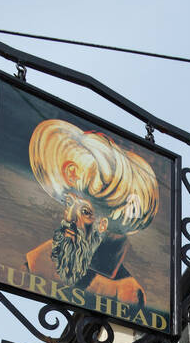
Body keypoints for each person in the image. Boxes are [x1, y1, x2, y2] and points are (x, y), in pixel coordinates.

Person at [25, 118, 159, 305]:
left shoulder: (127, 292)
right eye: (70, 202)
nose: (70, 217)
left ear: (103, 224)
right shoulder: (37, 261)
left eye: (86, 212)